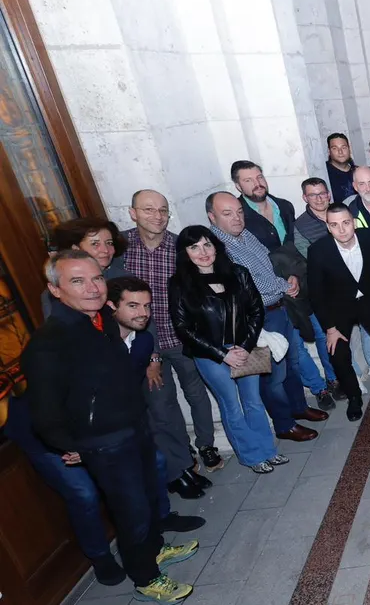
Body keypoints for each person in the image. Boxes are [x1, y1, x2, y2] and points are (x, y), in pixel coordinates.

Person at [23, 251, 198, 603]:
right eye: (77, 281)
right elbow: (43, 409)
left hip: (134, 426)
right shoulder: (49, 343)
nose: (92, 288)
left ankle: (154, 550)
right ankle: (146, 577)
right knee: (130, 510)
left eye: (96, 278)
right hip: (102, 441)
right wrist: (68, 444)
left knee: (150, 496)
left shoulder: (102, 318)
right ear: (55, 290)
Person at [169, 226, 289, 474]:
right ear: (185, 252)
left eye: (207, 245)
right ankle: (251, 456)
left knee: (254, 402)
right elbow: (183, 327)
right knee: (231, 405)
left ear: (216, 247)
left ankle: (268, 451)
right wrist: (223, 354)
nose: (202, 252)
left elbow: (256, 311)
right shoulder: (180, 283)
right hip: (211, 354)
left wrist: (244, 346)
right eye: (194, 247)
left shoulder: (238, 273)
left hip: (246, 347)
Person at [206, 192, 324, 442]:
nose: (237, 218)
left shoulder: (246, 235)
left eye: (239, 212)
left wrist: (286, 280)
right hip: (254, 321)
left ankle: (298, 407)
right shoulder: (216, 248)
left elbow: (268, 269)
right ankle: (284, 425)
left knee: (291, 364)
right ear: (212, 217)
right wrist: (282, 285)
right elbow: (247, 285)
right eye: (228, 214)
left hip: (279, 309)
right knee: (272, 376)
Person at [123, 192, 223, 472]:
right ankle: (182, 454)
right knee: (161, 402)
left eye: (163, 210)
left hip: (182, 337)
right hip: (143, 342)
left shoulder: (180, 246)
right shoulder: (121, 246)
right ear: (133, 213)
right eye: (148, 210)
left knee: (197, 393)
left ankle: (206, 444)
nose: (157, 216)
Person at [232, 161, 339, 408]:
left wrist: (297, 276)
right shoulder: (240, 216)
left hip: (300, 283)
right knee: (295, 345)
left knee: (323, 332)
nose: (257, 183)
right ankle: (319, 387)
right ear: (238, 185)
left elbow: (294, 248)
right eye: (248, 180)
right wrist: (280, 282)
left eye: (259, 176)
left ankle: (334, 379)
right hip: (269, 293)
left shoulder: (284, 206)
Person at [308, 204, 370, 422]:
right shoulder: (318, 251)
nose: (341, 229)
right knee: (338, 355)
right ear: (328, 227)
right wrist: (330, 328)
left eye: (346, 223)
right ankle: (354, 397)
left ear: (354, 223)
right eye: (334, 225)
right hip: (338, 307)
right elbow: (316, 294)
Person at [294, 178, 332, 258]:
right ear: (305, 198)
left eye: (322, 193)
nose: (319, 199)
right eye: (312, 195)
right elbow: (310, 258)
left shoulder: (343, 213)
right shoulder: (300, 226)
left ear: (328, 195)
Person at [326, 132, 356, 202]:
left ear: (349, 149)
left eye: (344, 147)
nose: (340, 151)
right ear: (329, 151)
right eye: (335, 148)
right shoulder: (324, 173)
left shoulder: (358, 171)